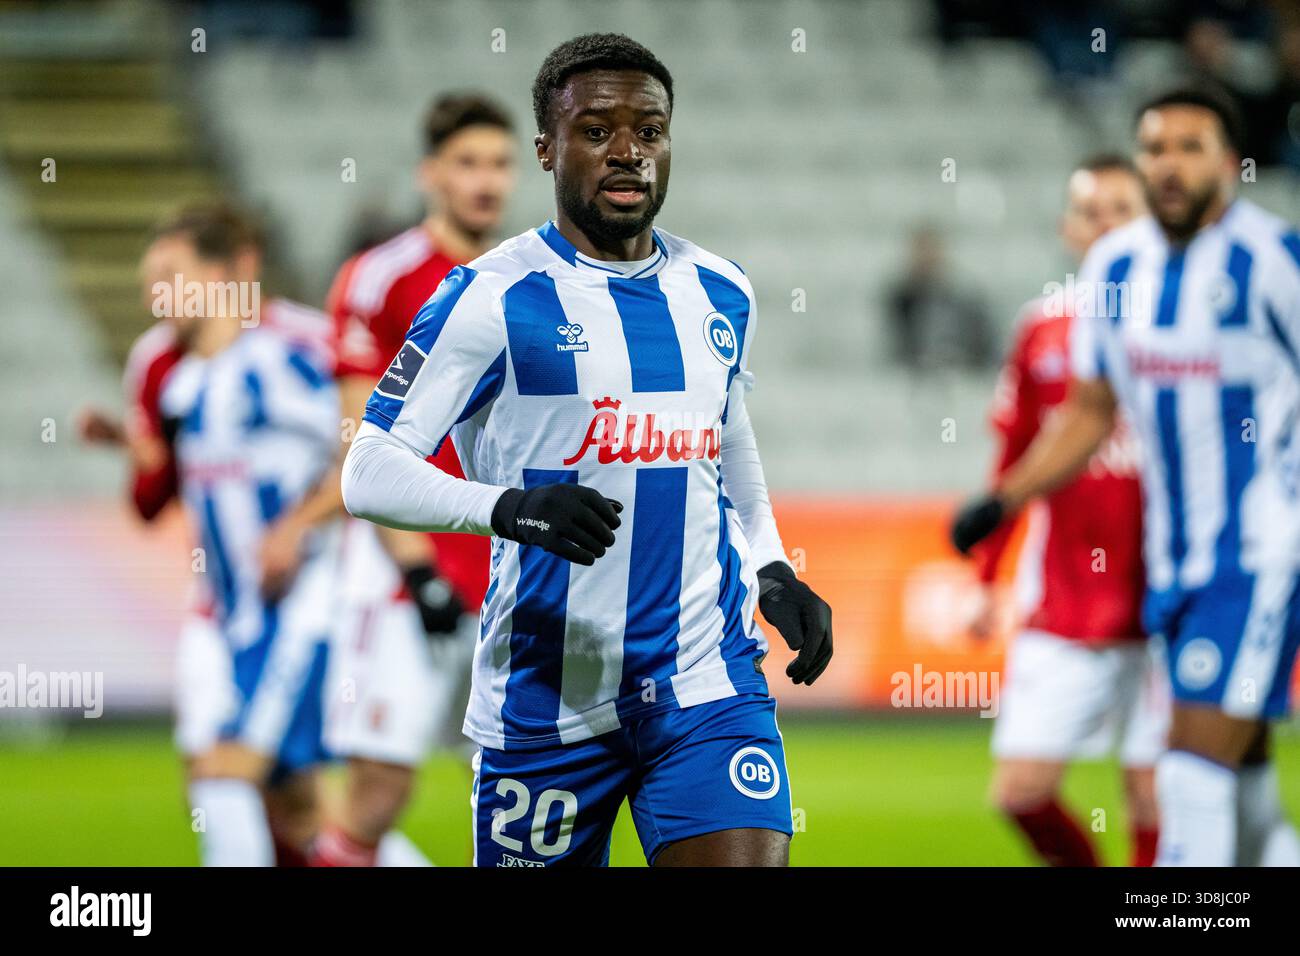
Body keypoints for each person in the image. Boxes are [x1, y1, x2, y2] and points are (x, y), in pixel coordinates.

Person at [341, 33, 833, 867]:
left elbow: (730, 448)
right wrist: (510, 508)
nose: (628, 151)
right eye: (597, 131)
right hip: (545, 698)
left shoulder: (721, 288)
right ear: (546, 149)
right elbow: (368, 470)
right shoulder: (486, 297)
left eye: (649, 130)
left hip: (705, 683)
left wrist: (772, 570)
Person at [952, 87, 1300, 867]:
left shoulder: (1274, 263)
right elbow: (1089, 411)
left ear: (1230, 164)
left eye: (1190, 147)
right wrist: (1003, 500)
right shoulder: (1116, 270)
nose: (1169, 166)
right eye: (1155, 148)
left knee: (1188, 772)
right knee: (1243, 792)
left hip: (1254, 558)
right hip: (1168, 573)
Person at [259, 92, 518, 866]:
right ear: (431, 173)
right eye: (468, 163)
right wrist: (416, 567)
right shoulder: (381, 281)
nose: (486, 181)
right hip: (401, 573)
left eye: (500, 163)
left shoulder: (525, 280)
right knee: (378, 785)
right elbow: (358, 442)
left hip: (505, 562)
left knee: (534, 784)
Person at [964, 155, 1166, 867]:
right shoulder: (1042, 329)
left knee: (1154, 793)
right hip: (1067, 599)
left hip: (1169, 600)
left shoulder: (1184, 326)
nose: (1106, 224)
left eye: (1123, 209)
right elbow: (1014, 460)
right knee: (1020, 790)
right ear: (1068, 229)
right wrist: (986, 575)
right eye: (1092, 211)